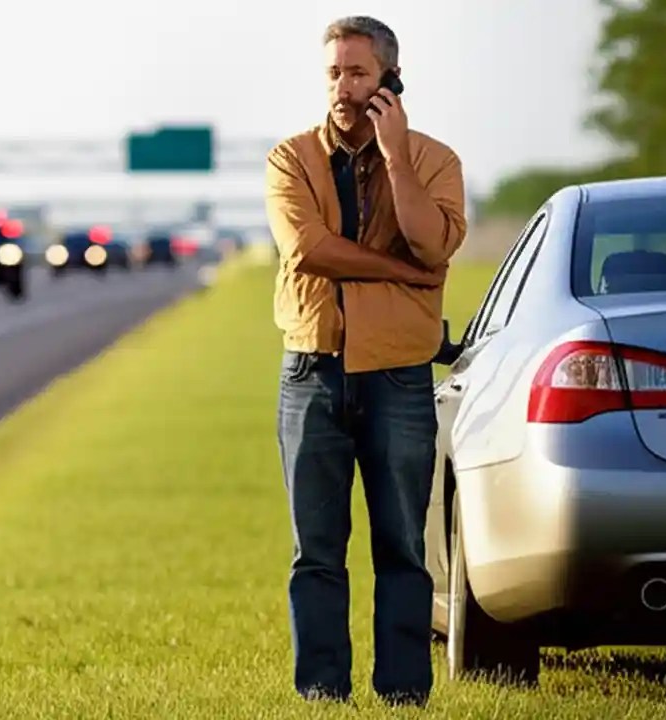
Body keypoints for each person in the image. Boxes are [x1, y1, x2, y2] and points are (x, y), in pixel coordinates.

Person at [265, 15, 468, 706]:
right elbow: (309, 249)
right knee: (316, 550)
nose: (343, 87)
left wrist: (396, 154)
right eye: (333, 72)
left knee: (402, 548)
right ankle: (323, 693)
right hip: (311, 371)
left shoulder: (435, 161)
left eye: (357, 72)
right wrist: (402, 276)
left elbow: (432, 245)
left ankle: (404, 693)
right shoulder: (290, 158)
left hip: (398, 376)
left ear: (390, 78)